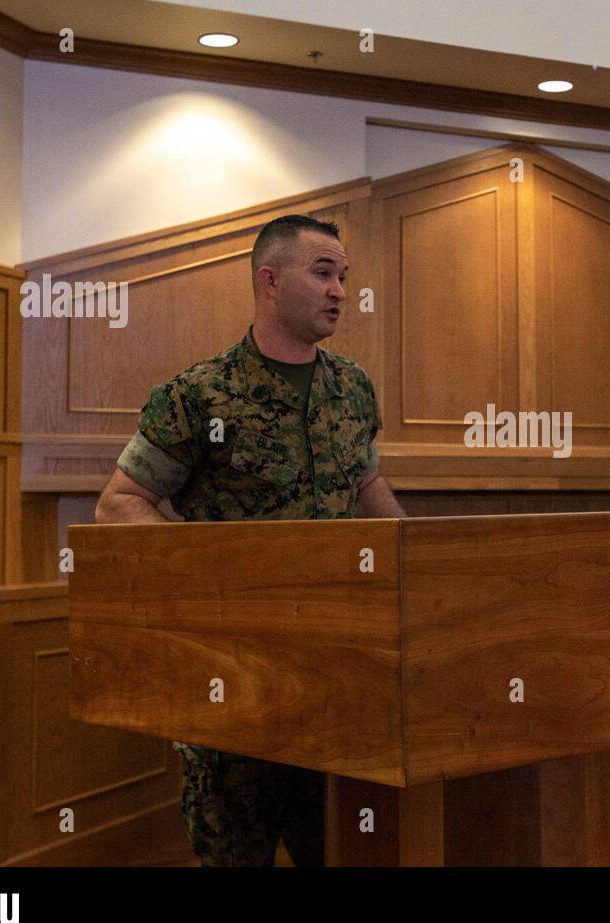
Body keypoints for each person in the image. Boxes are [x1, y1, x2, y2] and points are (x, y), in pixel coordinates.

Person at [95, 214, 406, 865]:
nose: (339, 291)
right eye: (322, 273)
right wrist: (212, 580)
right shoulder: (199, 396)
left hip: (340, 680)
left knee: (349, 850)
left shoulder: (353, 391)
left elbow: (369, 490)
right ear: (270, 280)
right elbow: (120, 506)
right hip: (233, 688)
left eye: (344, 277)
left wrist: (419, 566)